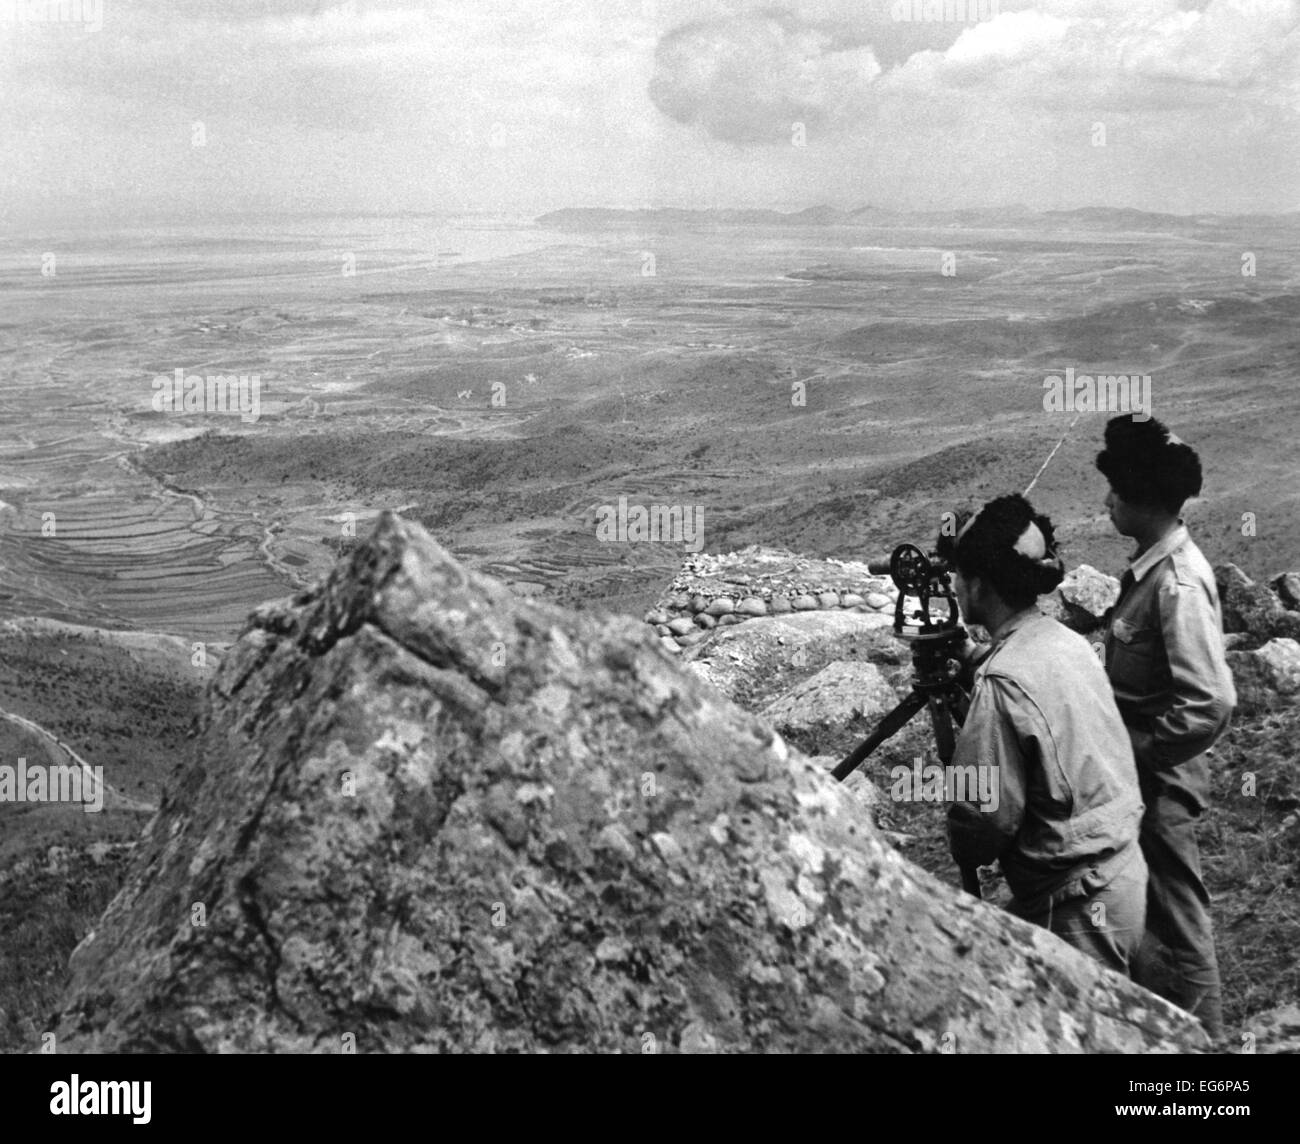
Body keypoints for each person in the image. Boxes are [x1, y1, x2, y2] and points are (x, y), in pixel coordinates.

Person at [938, 493, 1148, 975]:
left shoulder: (1002, 681)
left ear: (981, 586)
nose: (952, 584)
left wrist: (957, 830)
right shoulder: (1065, 642)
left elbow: (982, 825)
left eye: (959, 575)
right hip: (1126, 876)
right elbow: (1041, 695)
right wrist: (975, 658)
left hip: (1076, 906)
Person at [1096, 414, 1235, 1039]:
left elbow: (1209, 700)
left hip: (1160, 775)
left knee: (1181, 922)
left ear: (1139, 501)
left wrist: (1146, 749)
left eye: (1114, 492)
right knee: (1150, 909)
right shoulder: (1150, 568)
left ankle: (1210, 1064)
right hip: (1143, 769)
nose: (1107, 502)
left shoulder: (1176, 583)